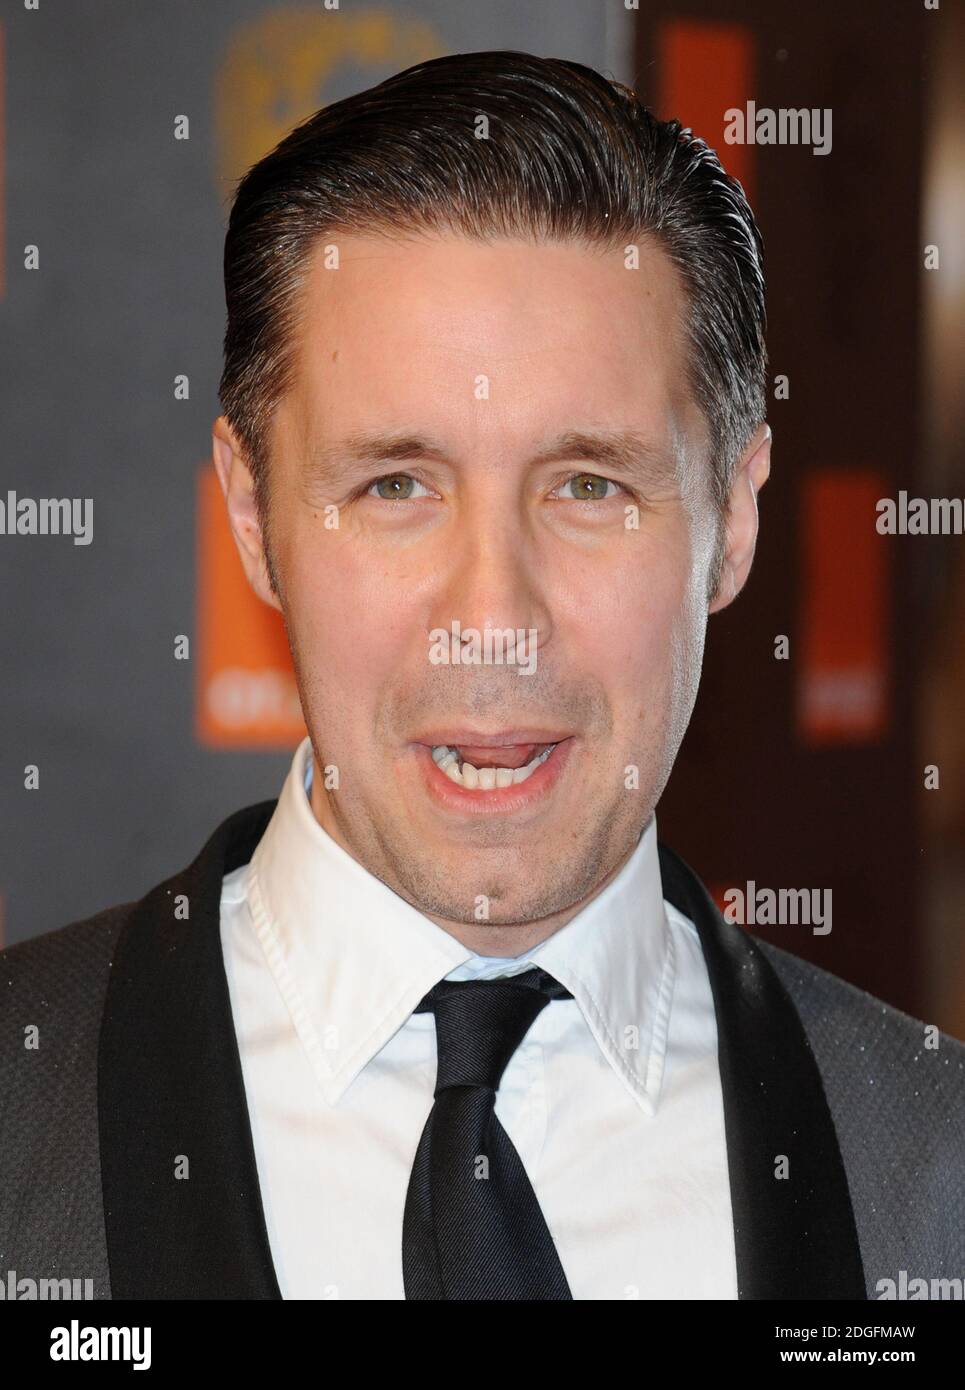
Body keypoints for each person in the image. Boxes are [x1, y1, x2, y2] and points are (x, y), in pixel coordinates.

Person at [2, 51, 962, 1302]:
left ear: (730, 518)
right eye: (395, 486)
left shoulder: (933, 1172)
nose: (492, 620)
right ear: (251, 516)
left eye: (587, 486)